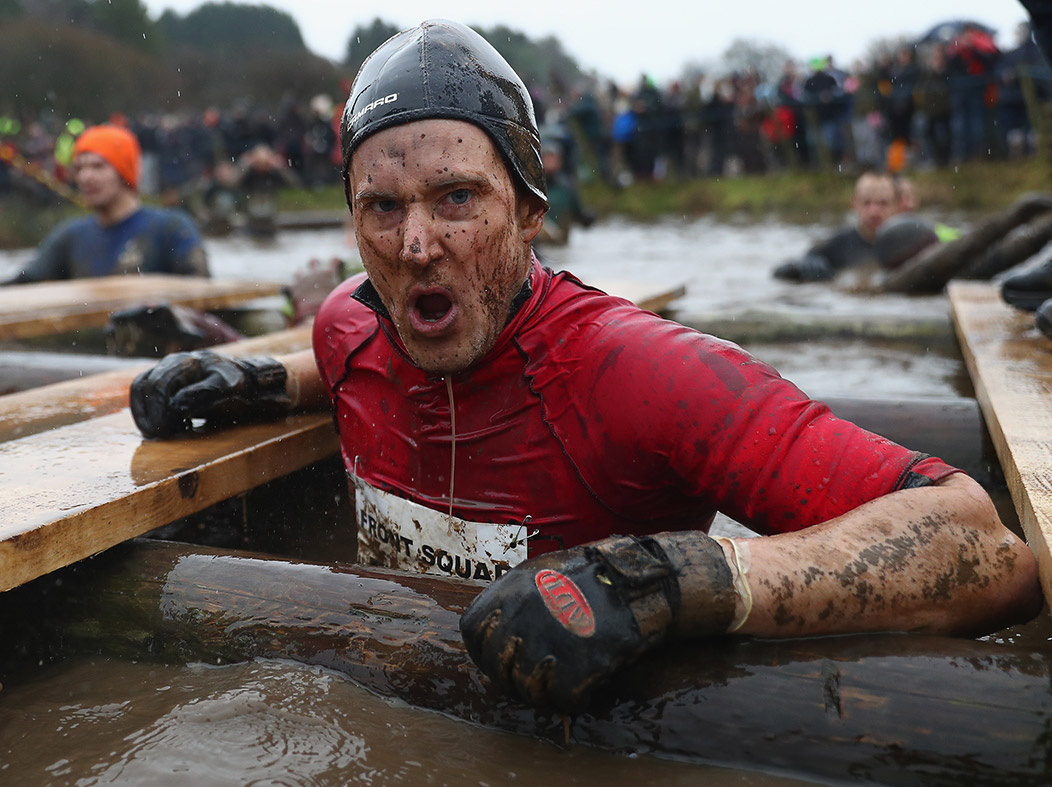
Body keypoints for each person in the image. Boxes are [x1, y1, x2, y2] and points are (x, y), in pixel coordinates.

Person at [129, 21, 1040, 713]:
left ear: (530, 213)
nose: (415, 245)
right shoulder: (344, 328)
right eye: (382, 207)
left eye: (457, 200)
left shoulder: (640, 375)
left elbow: (982, 545)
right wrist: (256, 380)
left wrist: (677, 580)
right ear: (352, 224)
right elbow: (344, 355)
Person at [8, 124, 209, 283]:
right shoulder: (70, 237)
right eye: (79, 168)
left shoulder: (172, 228)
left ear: (124, 174)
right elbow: (22, 285)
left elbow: (202, 295)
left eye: (98, 166)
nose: (86, 177)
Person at [772, 171, 894, 281]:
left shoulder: (907, 242)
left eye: (883, 203)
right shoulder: (838, 243)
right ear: (854, 204)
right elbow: (779, 273)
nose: (874, 211)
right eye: (866, 203)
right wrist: (805, 264)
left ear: (895, 206)